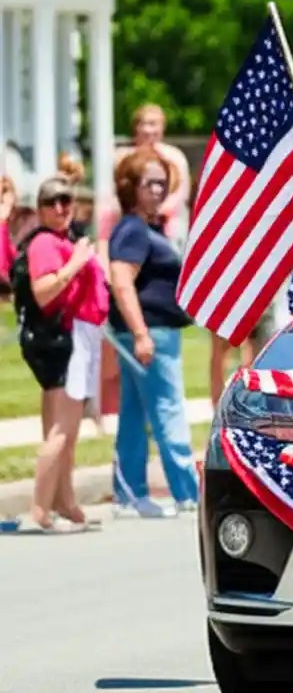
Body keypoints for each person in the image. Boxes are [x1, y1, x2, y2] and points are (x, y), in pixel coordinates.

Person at [11, 177, 109, 532]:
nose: (60, 208)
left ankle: (65, 503)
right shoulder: (46, 244)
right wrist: (77, 263)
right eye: (51, 203)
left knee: (63, 430)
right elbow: (43, 291)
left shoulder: (61, 239)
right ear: (40, 210)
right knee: (62, 431)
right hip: (61, 345)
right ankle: (39, 508)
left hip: (66, 341)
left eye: (65, 201)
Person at [107, 148, 200, 517]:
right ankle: (188, 493)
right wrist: (142, 333)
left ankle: (129, 494)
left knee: (133, 415)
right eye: (151, 183)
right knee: (168, 410)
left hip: (148, 333)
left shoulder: (146, 227)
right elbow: (121, 281)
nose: (159, 189)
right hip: (150, 333)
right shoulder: (132, 229)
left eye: (163, 182)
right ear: (131, 187)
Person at [99, 104, 192, 256]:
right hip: (129, 223)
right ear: (136, 127)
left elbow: (181, 195)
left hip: (167, 228)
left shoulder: (174, 157)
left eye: (154, 124)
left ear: (162, 128)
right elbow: (113, 194)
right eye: (144, 124)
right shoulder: (122, 157)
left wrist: (158, 211)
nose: (149, 130)